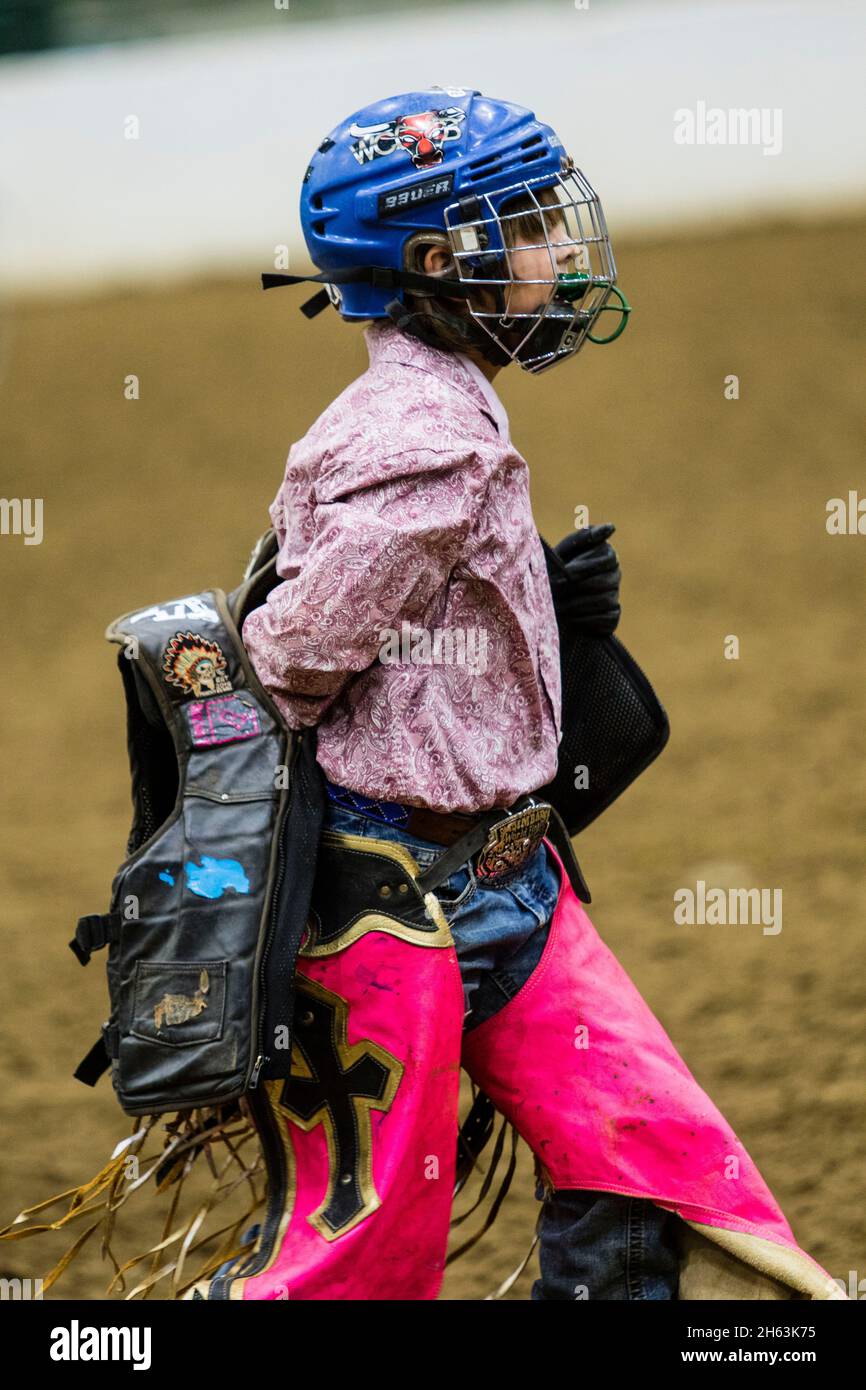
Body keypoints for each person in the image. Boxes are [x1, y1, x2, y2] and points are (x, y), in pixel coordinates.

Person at [229, 87, 841, 1302]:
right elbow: (290, 660)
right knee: (360, 1261)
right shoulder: (428, 441)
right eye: (527, 226)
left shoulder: (443, 409)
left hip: (509, 881)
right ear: (435, 262)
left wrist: (513, 617)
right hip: (388, 902)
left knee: (646, 1164)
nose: (559, 251)